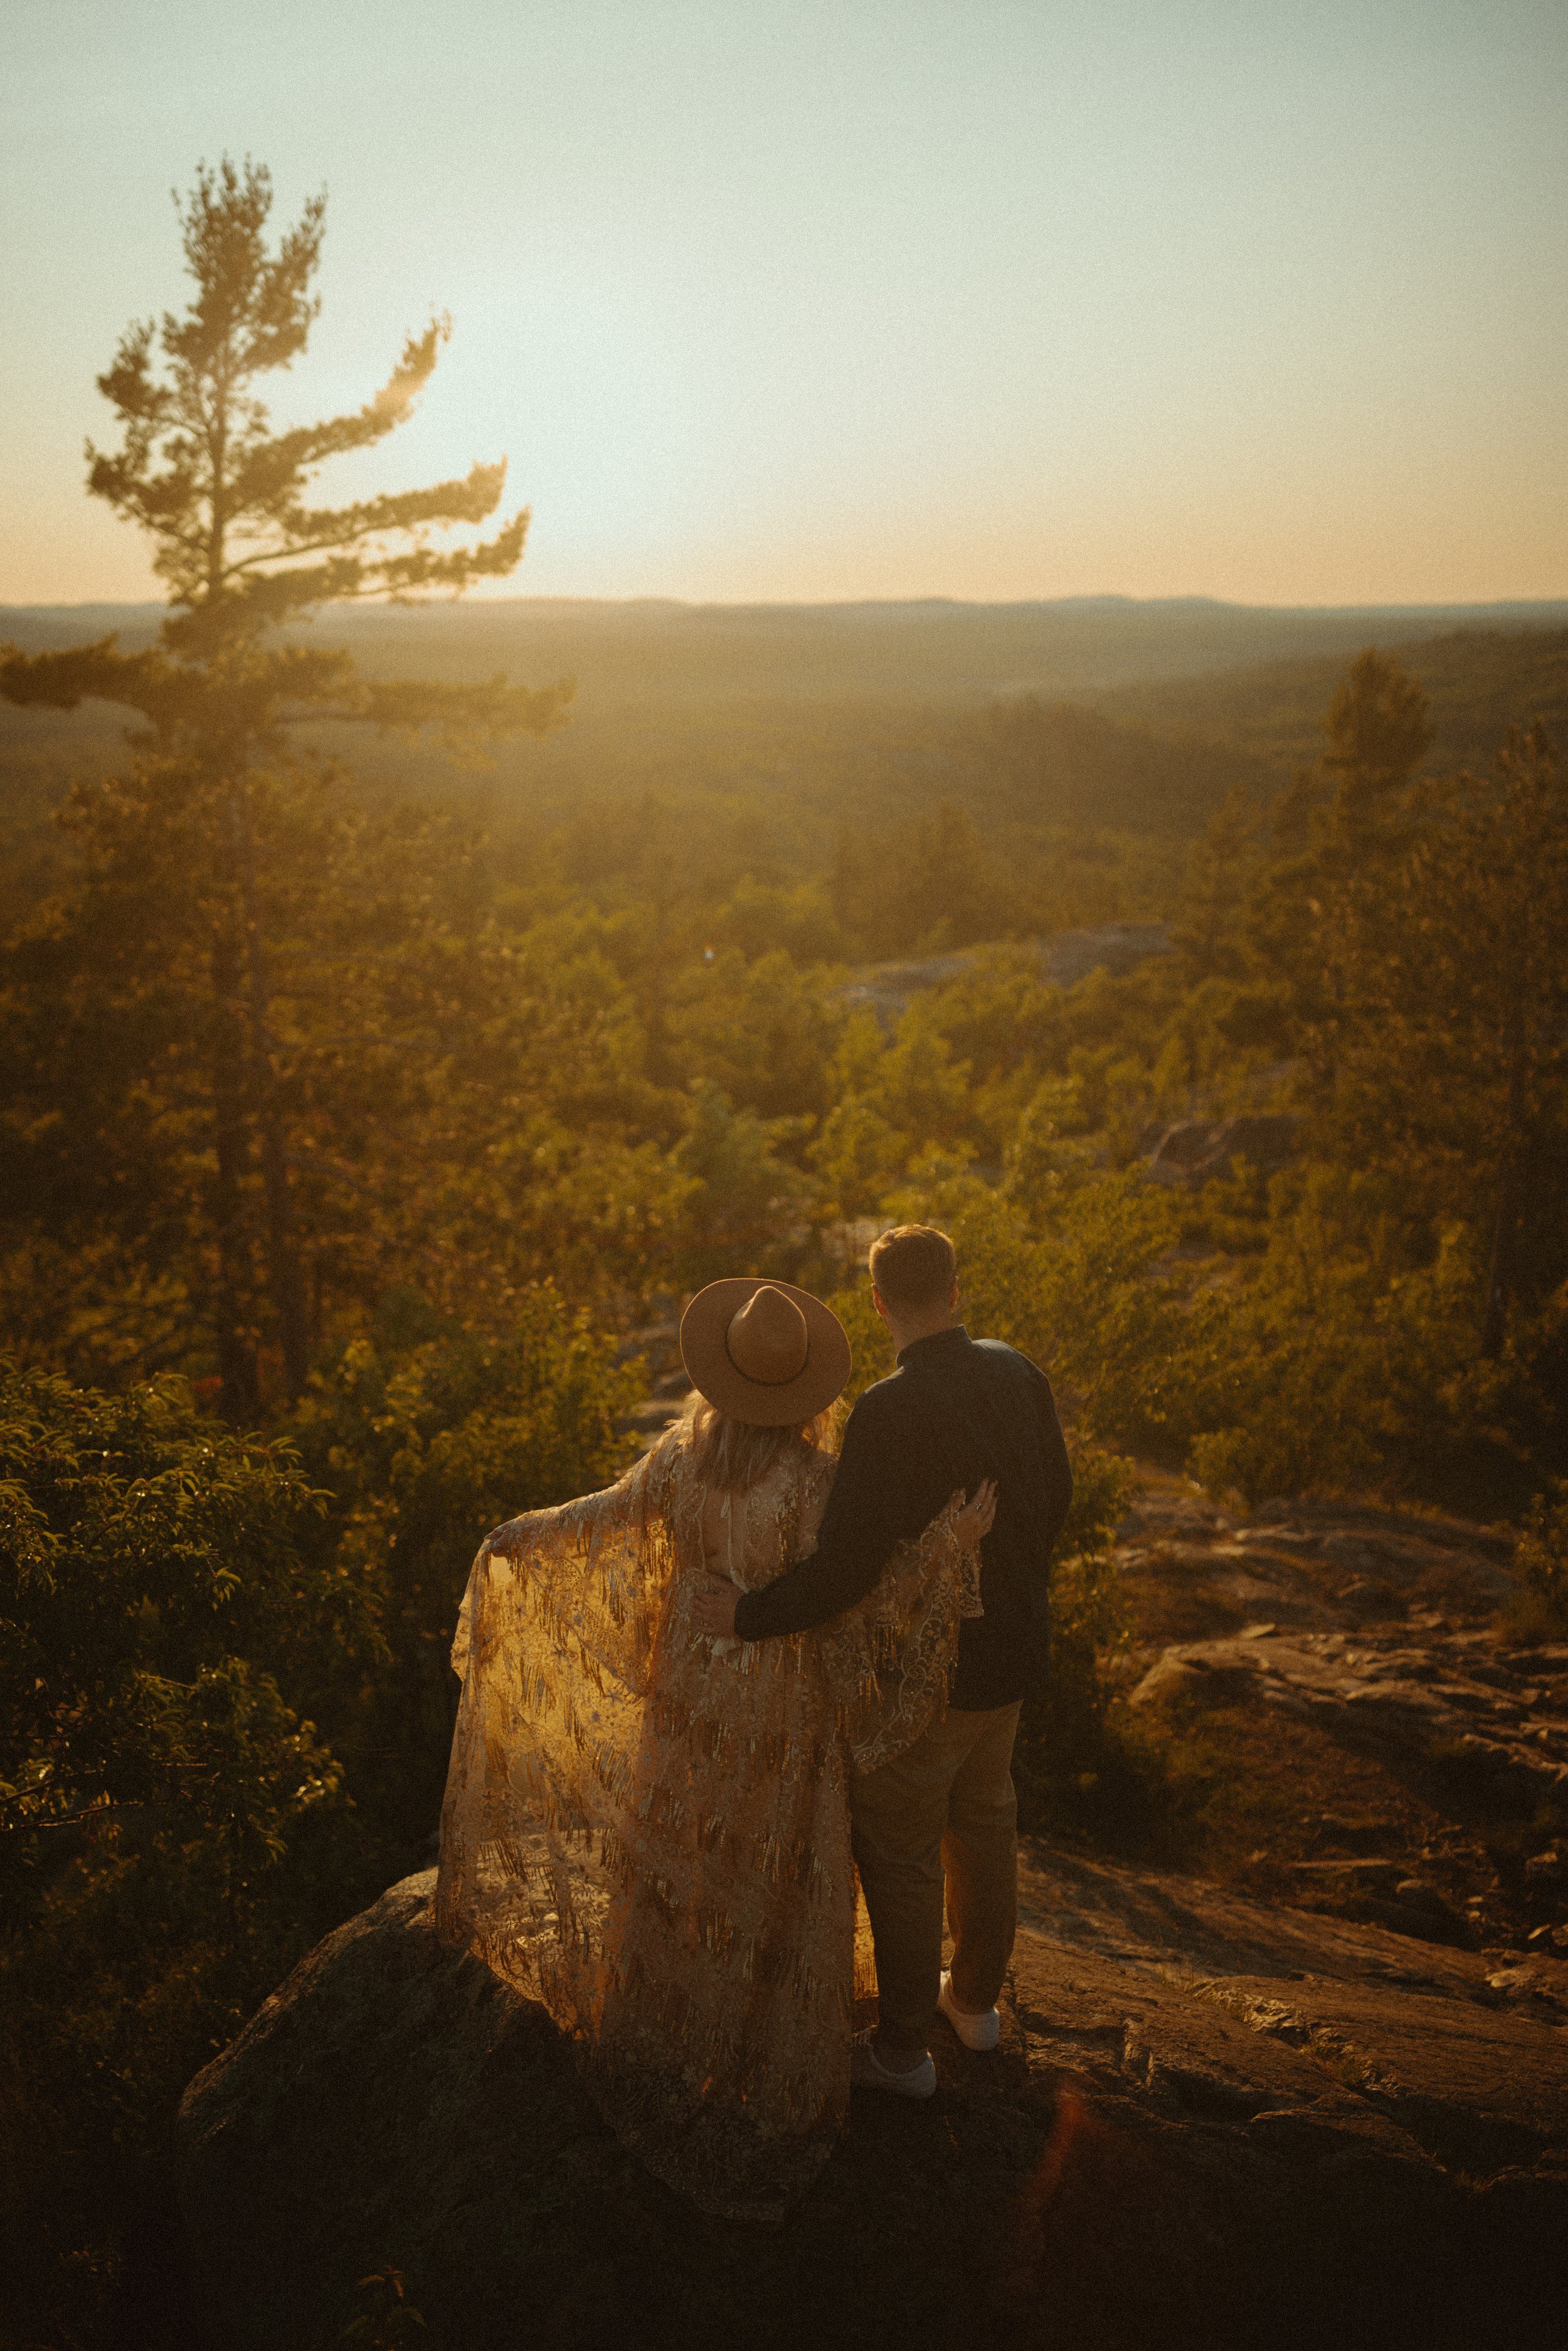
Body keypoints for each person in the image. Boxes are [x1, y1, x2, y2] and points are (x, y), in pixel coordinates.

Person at [434, 1274, 995, 2222]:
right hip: (779, 1692)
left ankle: (669, 2024)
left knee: (688, 1843)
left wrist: (515, 1537)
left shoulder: (679, 1461)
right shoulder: (819, 1485)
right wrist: (949, 1548)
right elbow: (864, 1585)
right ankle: (759, 2036)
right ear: (802, 1393)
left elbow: (599, 1520)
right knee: (769, 1865)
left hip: (691, 1687)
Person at [692, 1225, 1073, 2097]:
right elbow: (1056, 1496)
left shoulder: (889, 1409)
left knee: (901, 1855)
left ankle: (902, 2053)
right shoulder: (1018, 1371)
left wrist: (748, 1614)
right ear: (955, 1289)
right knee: (985, 1825)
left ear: (875, 1303)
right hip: (1013, 1654)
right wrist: (1009, 1582)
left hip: (926, 1679)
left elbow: (847, 1566)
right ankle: (974, 2007)